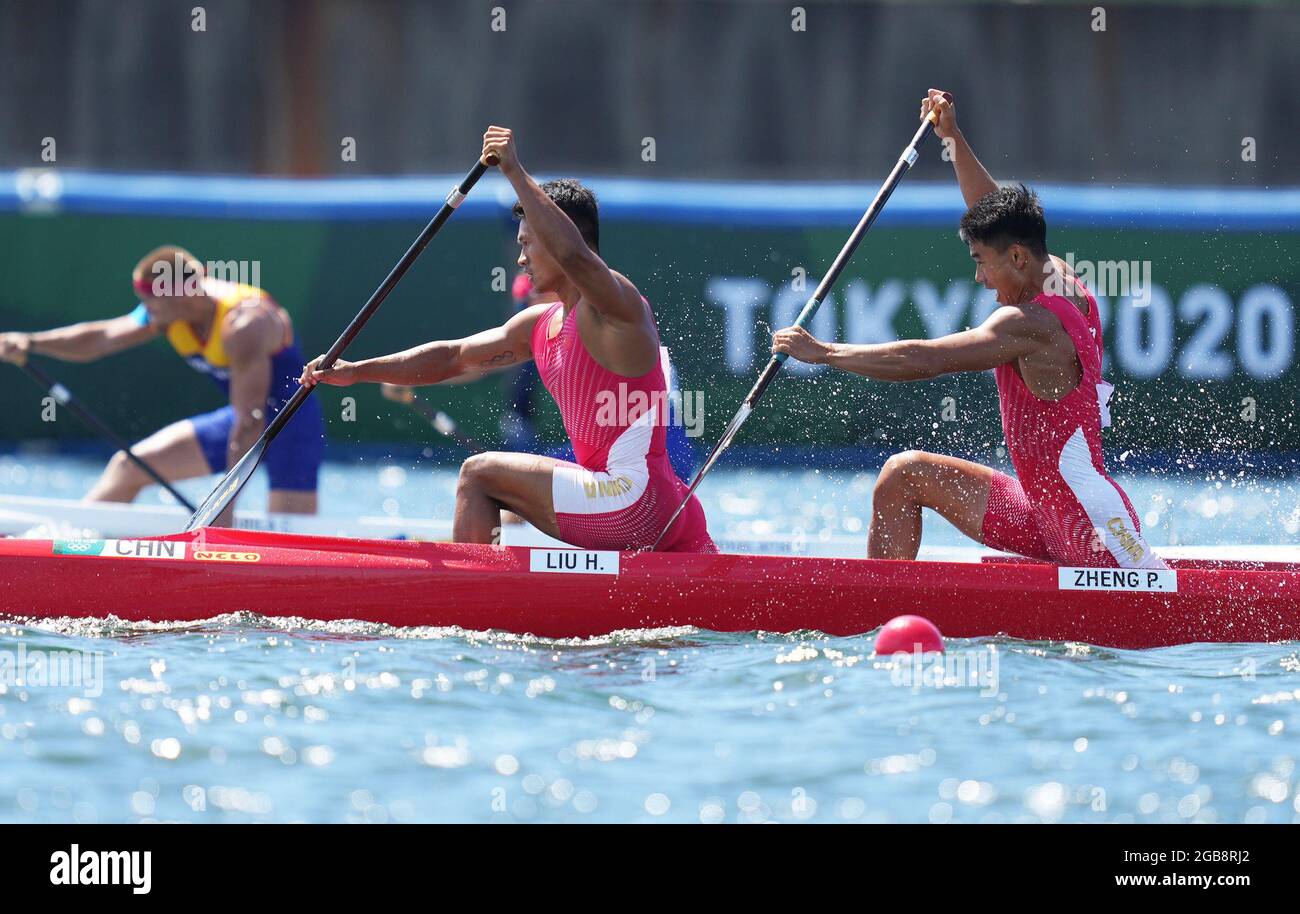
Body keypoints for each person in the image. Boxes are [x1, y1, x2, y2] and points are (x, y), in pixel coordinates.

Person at [770, 89, 1164, 570]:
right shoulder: (1055, 274)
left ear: (1018, 258)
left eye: (981, 263)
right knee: (902, 475)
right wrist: (951, 137)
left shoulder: (1028, 323)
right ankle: (877, 610)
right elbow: (995, 213)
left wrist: (826, 353)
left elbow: (925, 359)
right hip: (1040, 511)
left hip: (1093, 529)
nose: (978, 277)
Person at [301, 126, 715, 552]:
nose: (520, 259)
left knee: (478, 476)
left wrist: (514, 171)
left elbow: (575, 256)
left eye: (528, 245)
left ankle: (470, 600)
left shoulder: (618, 307)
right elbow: (453, 357)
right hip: (669, 506)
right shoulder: (540, 324)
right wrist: (356, 372)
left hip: (631, 501)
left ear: (559, 240)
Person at [0, 246, 324, 516]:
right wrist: (31, 342)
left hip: (291, 427)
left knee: (288, 534)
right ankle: (70, 547)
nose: (144, 310)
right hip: (241, 421)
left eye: (150, 301)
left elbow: (251, 420)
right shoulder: (170, 312)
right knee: (128, 468)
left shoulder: (245, 325)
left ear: (182, 295)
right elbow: (101, 339)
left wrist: (221, 509)